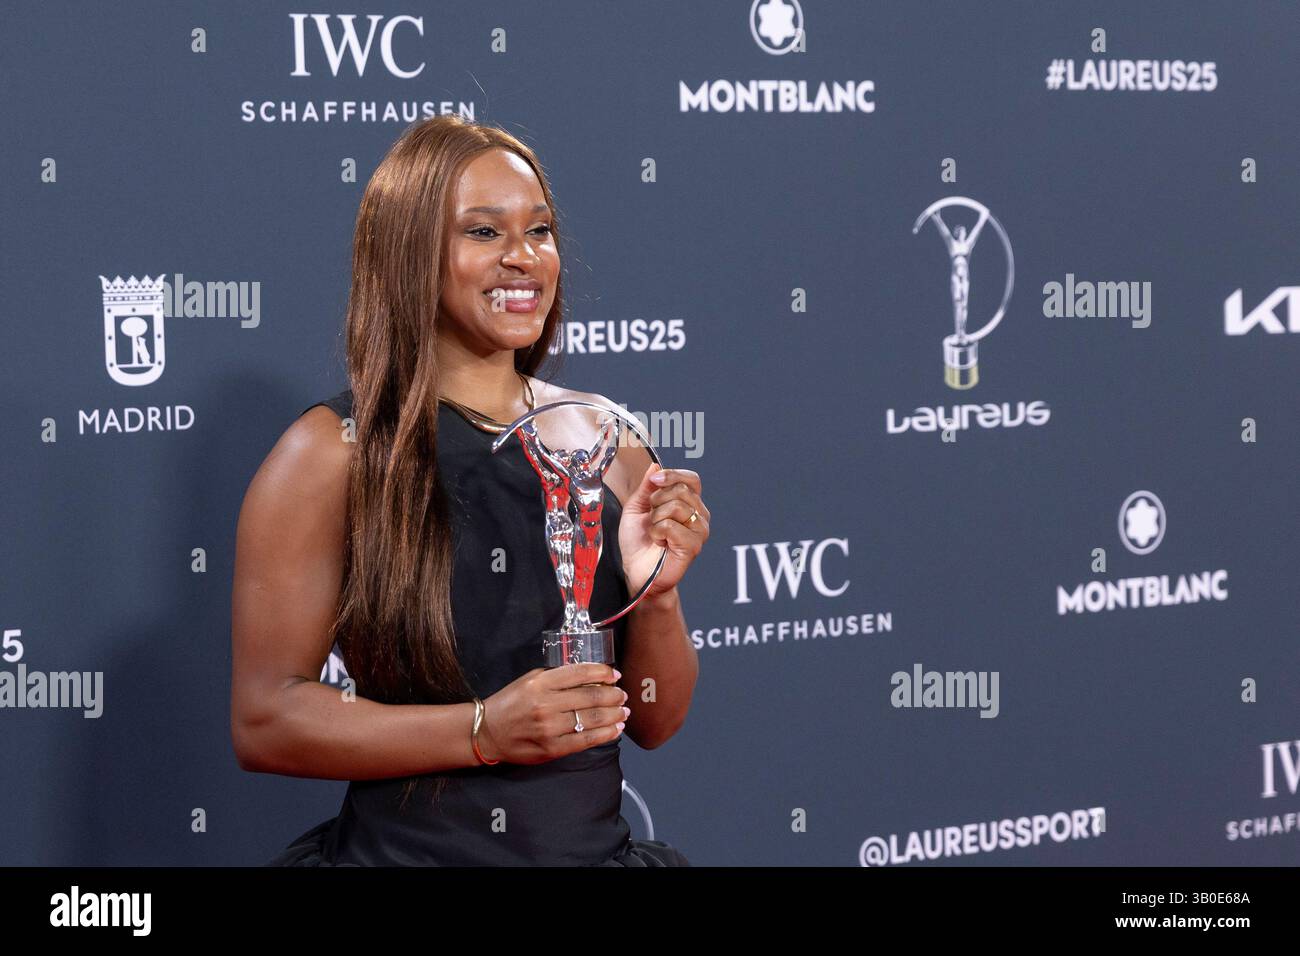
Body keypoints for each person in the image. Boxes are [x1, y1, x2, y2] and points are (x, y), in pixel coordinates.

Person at [229, 115, 709, 866]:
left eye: (540, 230)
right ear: (409, 254)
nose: (523, 258)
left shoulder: (610, 437)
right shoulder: (333, 452)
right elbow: (265, 722)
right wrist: (483, 730)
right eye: (483, 233)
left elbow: (655, 720)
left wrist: (661, 595)